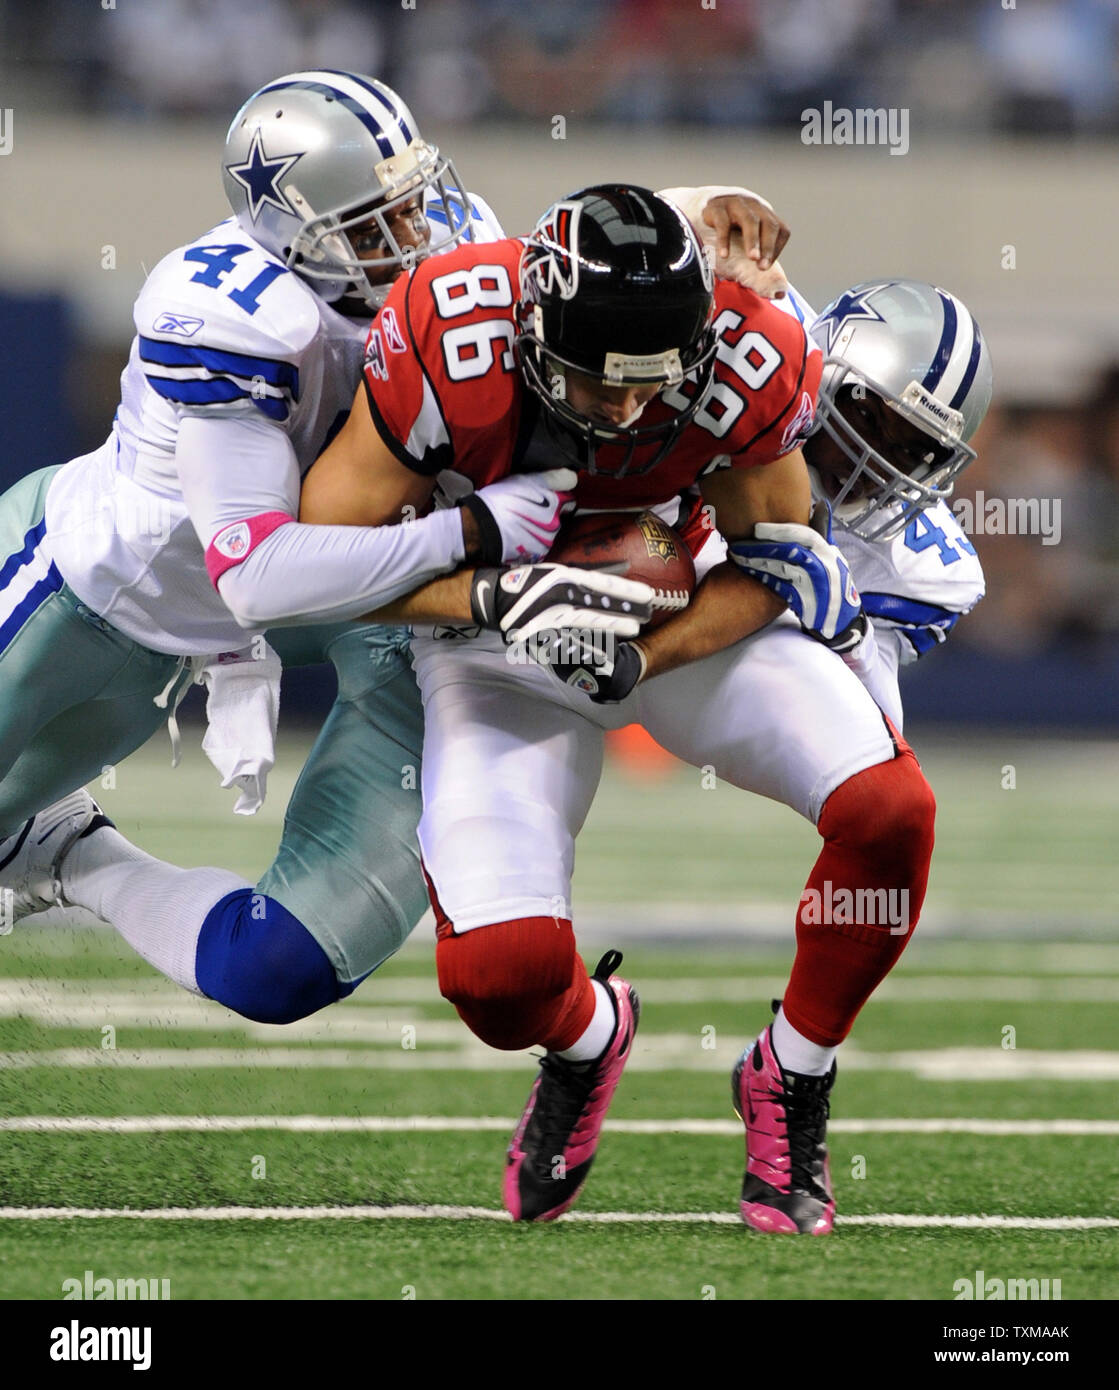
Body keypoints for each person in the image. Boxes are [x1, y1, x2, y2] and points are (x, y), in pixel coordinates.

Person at [299, 182, 941, 1234]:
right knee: (498, 981)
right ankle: (590, 1034)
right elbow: (320, 558)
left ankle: (792, 1070)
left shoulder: (748, 344)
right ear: (535, 323)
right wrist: (498, 594)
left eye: (655, 387)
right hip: (491, 642)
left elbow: (773, 556)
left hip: (671, 617)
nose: (628, 413)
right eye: (600, 386)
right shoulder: (446, 330)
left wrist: (643, 658)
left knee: (890, 811)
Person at [0, 71, 652, 1023]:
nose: (412, 241)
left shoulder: (462, 250)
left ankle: (61, 852)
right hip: (91, 596)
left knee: (282, 970)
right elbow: (260, 576)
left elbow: (611, 271)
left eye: (412, 205)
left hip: (351, 600)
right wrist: (467, 535)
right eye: (370, 227)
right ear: (284, 233)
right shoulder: (238, 315)